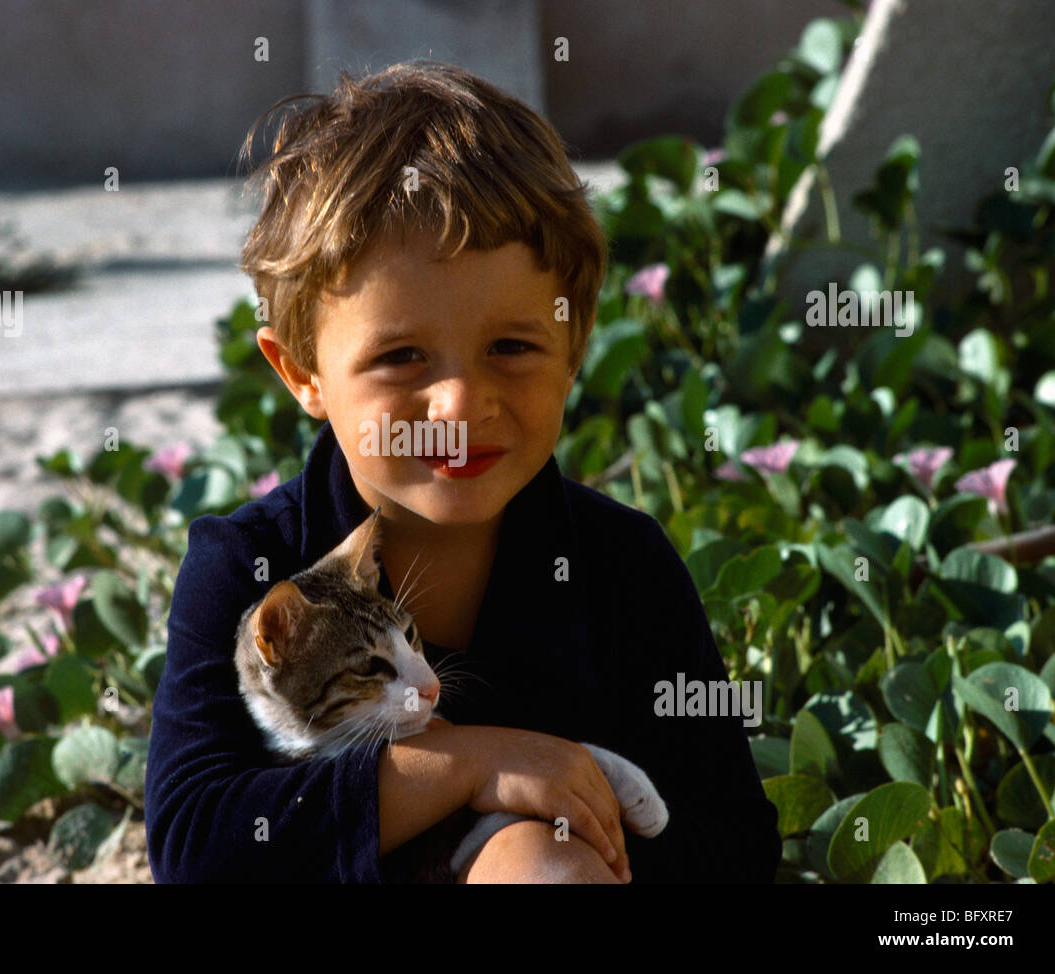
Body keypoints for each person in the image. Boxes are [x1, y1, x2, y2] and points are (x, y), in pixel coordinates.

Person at [145, 60, 781, 883]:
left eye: (511, 347)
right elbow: (196, 847)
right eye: (402, 357)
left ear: (575, 346)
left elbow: (734, 843)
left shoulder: (623, 566)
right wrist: (473, 766)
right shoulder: (248, 568)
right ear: (301, 371)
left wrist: (557, 834)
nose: (458, 405)